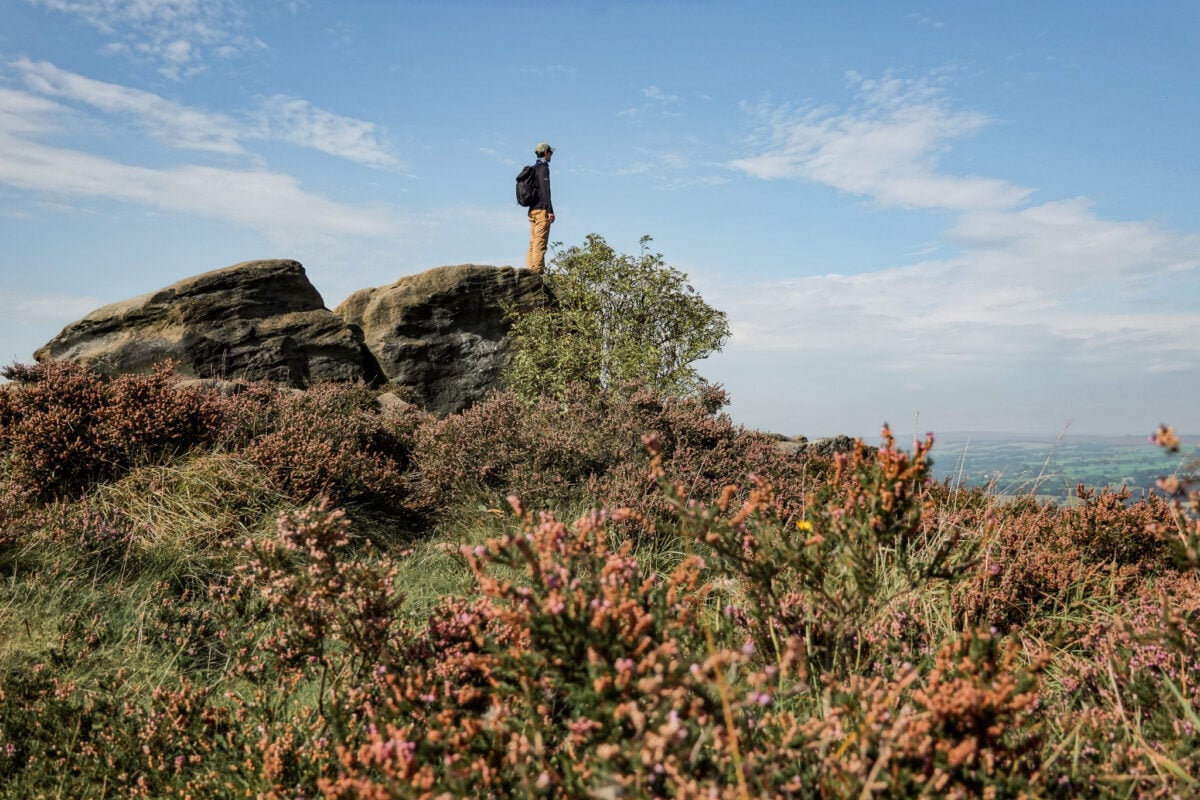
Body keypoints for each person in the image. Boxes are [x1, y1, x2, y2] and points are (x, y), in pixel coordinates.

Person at [526, 142, 555, 273]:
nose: (551, 155)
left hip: (532, 210)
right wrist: (550, 211)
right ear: (545, 153)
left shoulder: (533, 168)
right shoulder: (543, 168)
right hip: (542, 210)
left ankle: (529, 271)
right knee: (540, 243)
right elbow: (545, 190)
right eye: (551, 152)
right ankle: (537, 273)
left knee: (533, 242)